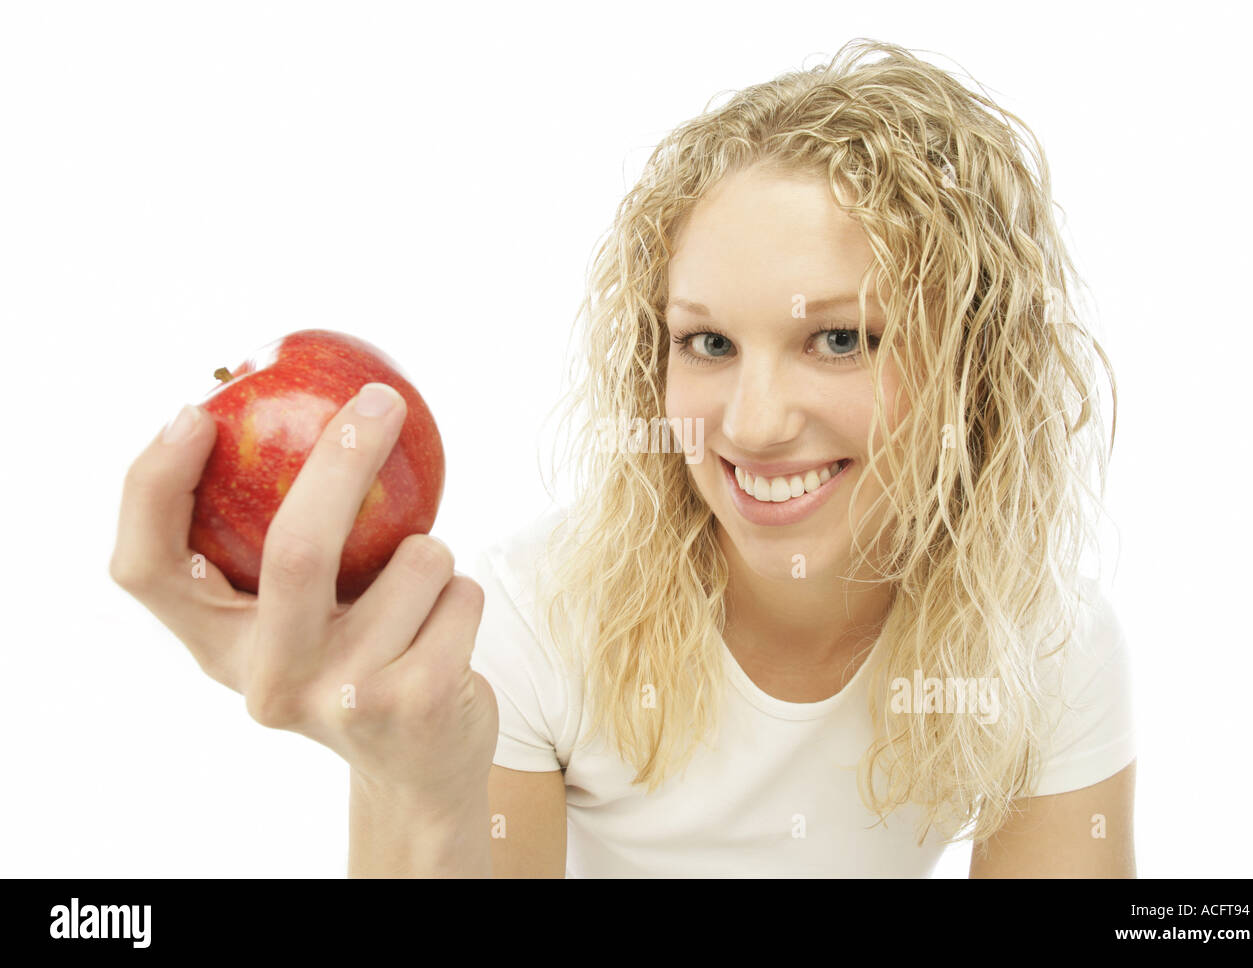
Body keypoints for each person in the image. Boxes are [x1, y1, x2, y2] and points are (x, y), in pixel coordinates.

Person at [109, 37, 1135, 878]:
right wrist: (412, 786)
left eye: (840, 338)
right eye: (708, 342)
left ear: (974, 362)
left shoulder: (1043, 643)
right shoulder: (528, 621)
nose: (755, 422)